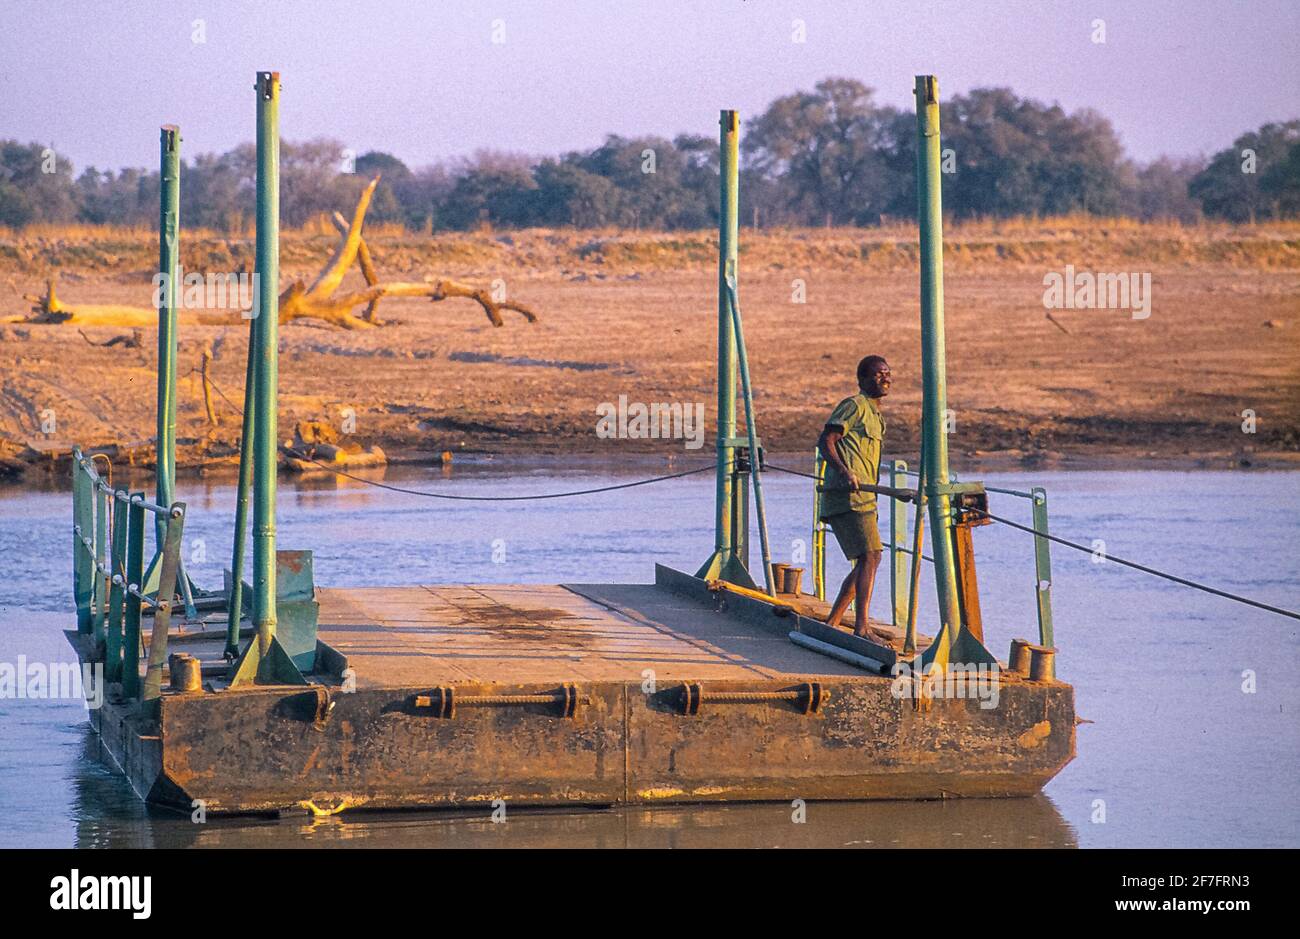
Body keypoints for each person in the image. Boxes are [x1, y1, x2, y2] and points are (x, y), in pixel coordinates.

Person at [817, 355, 913, 643]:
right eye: (877, 374)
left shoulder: (876, 415)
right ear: (862, 380)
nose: (885, 379)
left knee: (868, 559)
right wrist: (843, 471)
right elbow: (826, 441)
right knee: (871, 556)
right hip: (846, 498)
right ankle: (861, 628)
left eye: (888, 373)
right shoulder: (854, 406)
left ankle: (833, 622)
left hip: (866, 499)